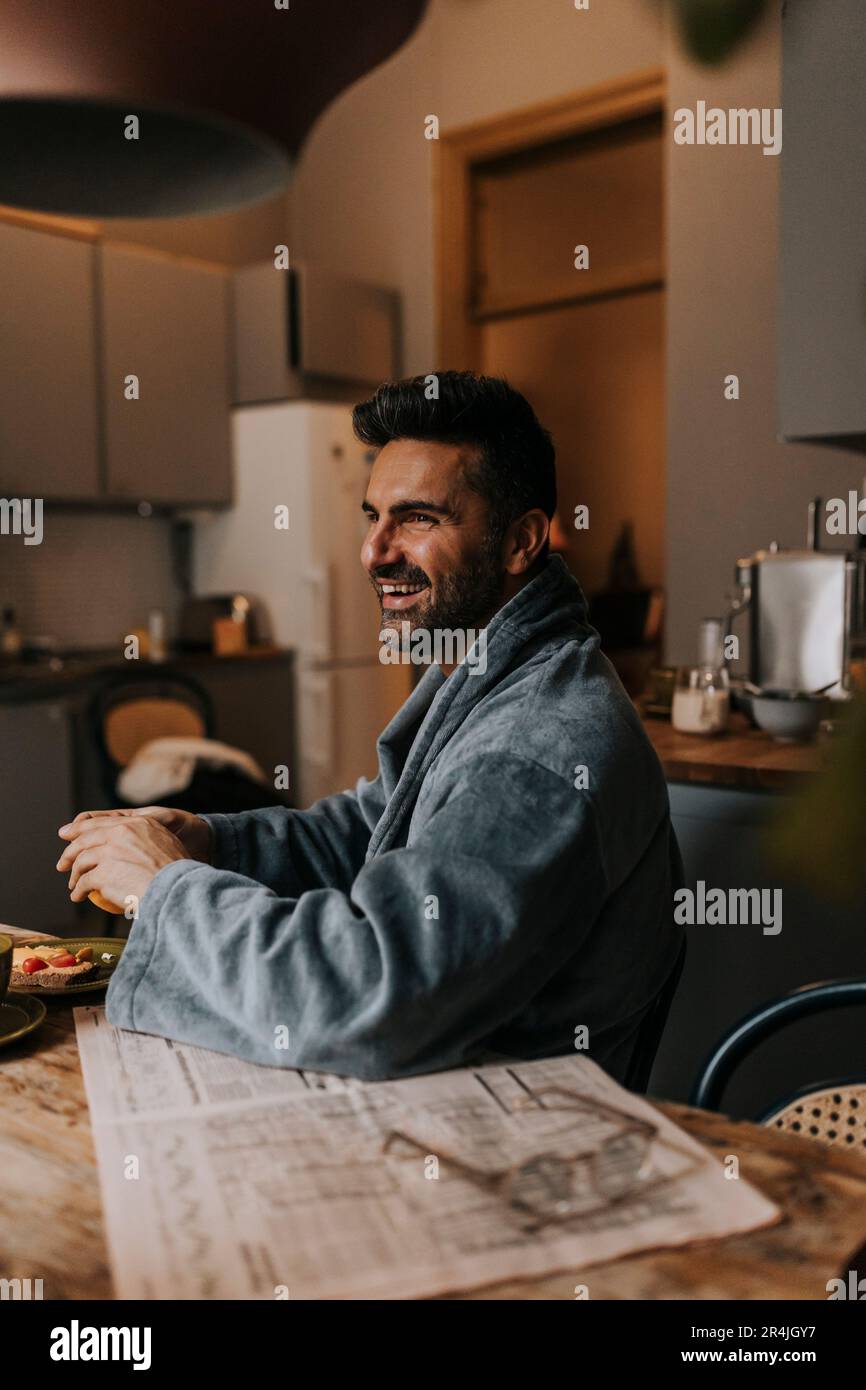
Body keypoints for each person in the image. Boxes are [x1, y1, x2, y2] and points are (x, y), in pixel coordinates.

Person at [57, 371, 684, 1084]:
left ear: (521, 542)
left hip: (514, 1144)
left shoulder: (536, 752)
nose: (373, 552)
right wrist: (215, 841)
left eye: (417, 518)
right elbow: (373, 831)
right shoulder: (491, 674)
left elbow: (367, 997)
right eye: (372, 516)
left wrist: (164, 887)